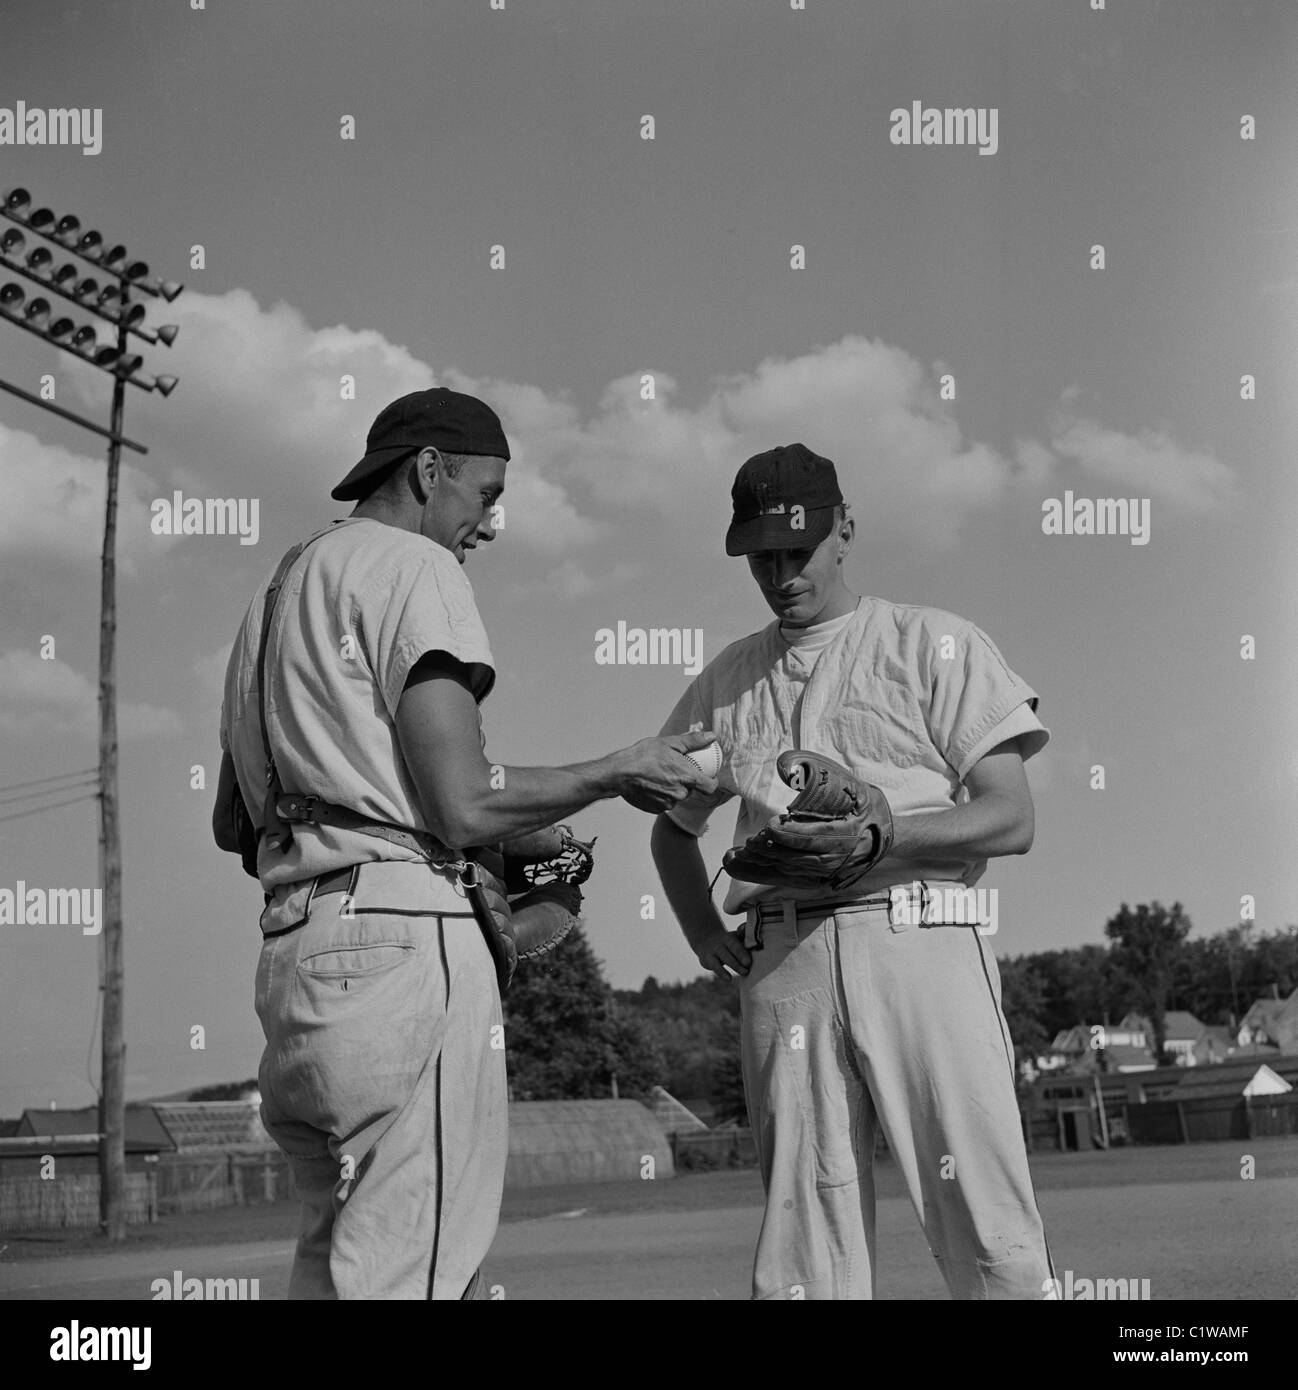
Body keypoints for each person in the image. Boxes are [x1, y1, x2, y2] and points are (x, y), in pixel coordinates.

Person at [213, 387, 715, 1299]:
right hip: (399, 945)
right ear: (428, 471)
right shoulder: (411, 565)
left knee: (337, 1268)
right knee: (417, 1272)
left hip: (294, 950)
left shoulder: (276, 593)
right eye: (484, 496)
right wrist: (616, 770)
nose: (491, 523)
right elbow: (464, 805)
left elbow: (235, 828)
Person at [650, 442, 1055, 1300]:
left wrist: (886, 835)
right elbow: (673, 830)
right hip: (783, 954)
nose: (780, 571)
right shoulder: (725, 679)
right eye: (761, 555)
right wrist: (701, 931)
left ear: (846, 531)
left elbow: (1010, 814)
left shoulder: (931, 641)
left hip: (917, 933)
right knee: (803, 1246)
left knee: (983, 1216)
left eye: (797, 549)